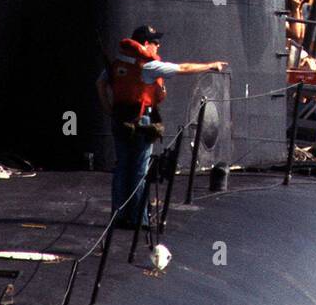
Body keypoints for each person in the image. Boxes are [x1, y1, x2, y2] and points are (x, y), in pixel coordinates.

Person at [96, 25, 227, 228]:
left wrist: (108, 109)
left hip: (120, 120)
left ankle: (118, 216)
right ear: (146, 44)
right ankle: (139, 220)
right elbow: (183, 68)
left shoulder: (117, 64)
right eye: (155, 43)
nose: (159, 46)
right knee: (140, 169)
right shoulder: (148, 67)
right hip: (141, 122)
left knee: (122, 167)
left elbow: (100, 84)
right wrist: (212, 65)